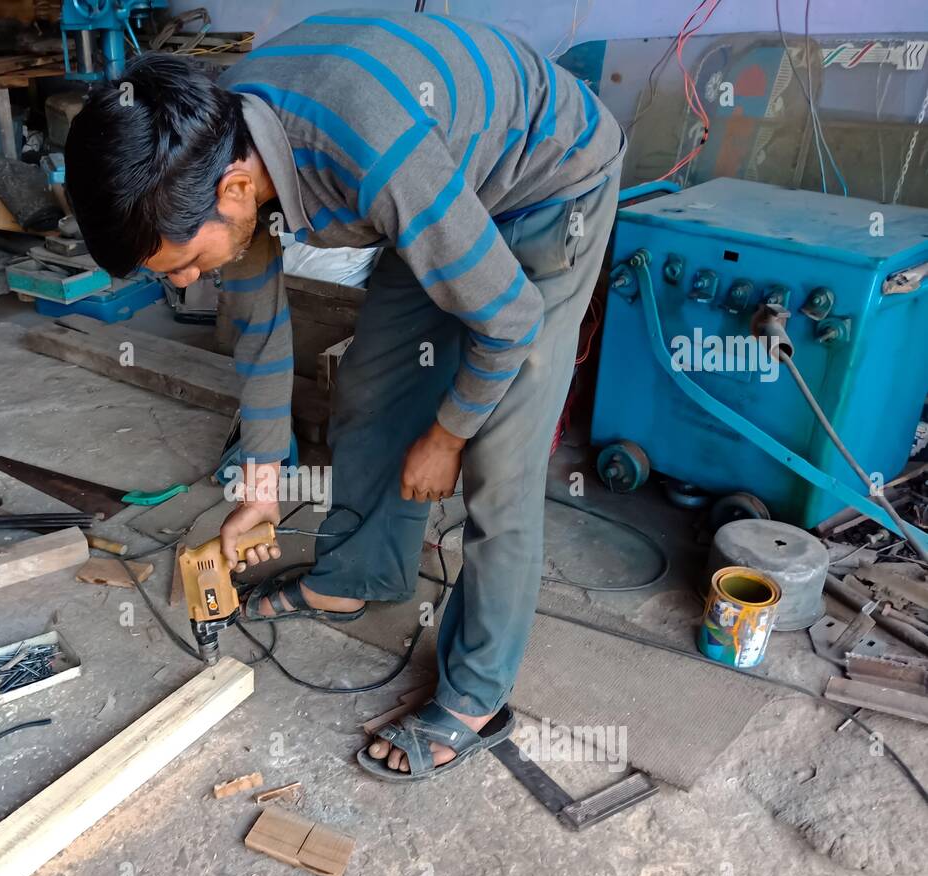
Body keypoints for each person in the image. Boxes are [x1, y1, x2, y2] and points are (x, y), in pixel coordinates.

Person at [64, 9, 625, 781]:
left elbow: (509, 319)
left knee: (501, 461)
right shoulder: (217, 144)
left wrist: (449, 435)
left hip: (546, 185)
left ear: (234, 189)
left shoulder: (363, 148)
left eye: (183, 262)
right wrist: (262, 488)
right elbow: (260, 332)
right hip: (439, 174)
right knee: (371, 386)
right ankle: (359, 574)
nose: (184, 282)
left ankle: (477, 696)